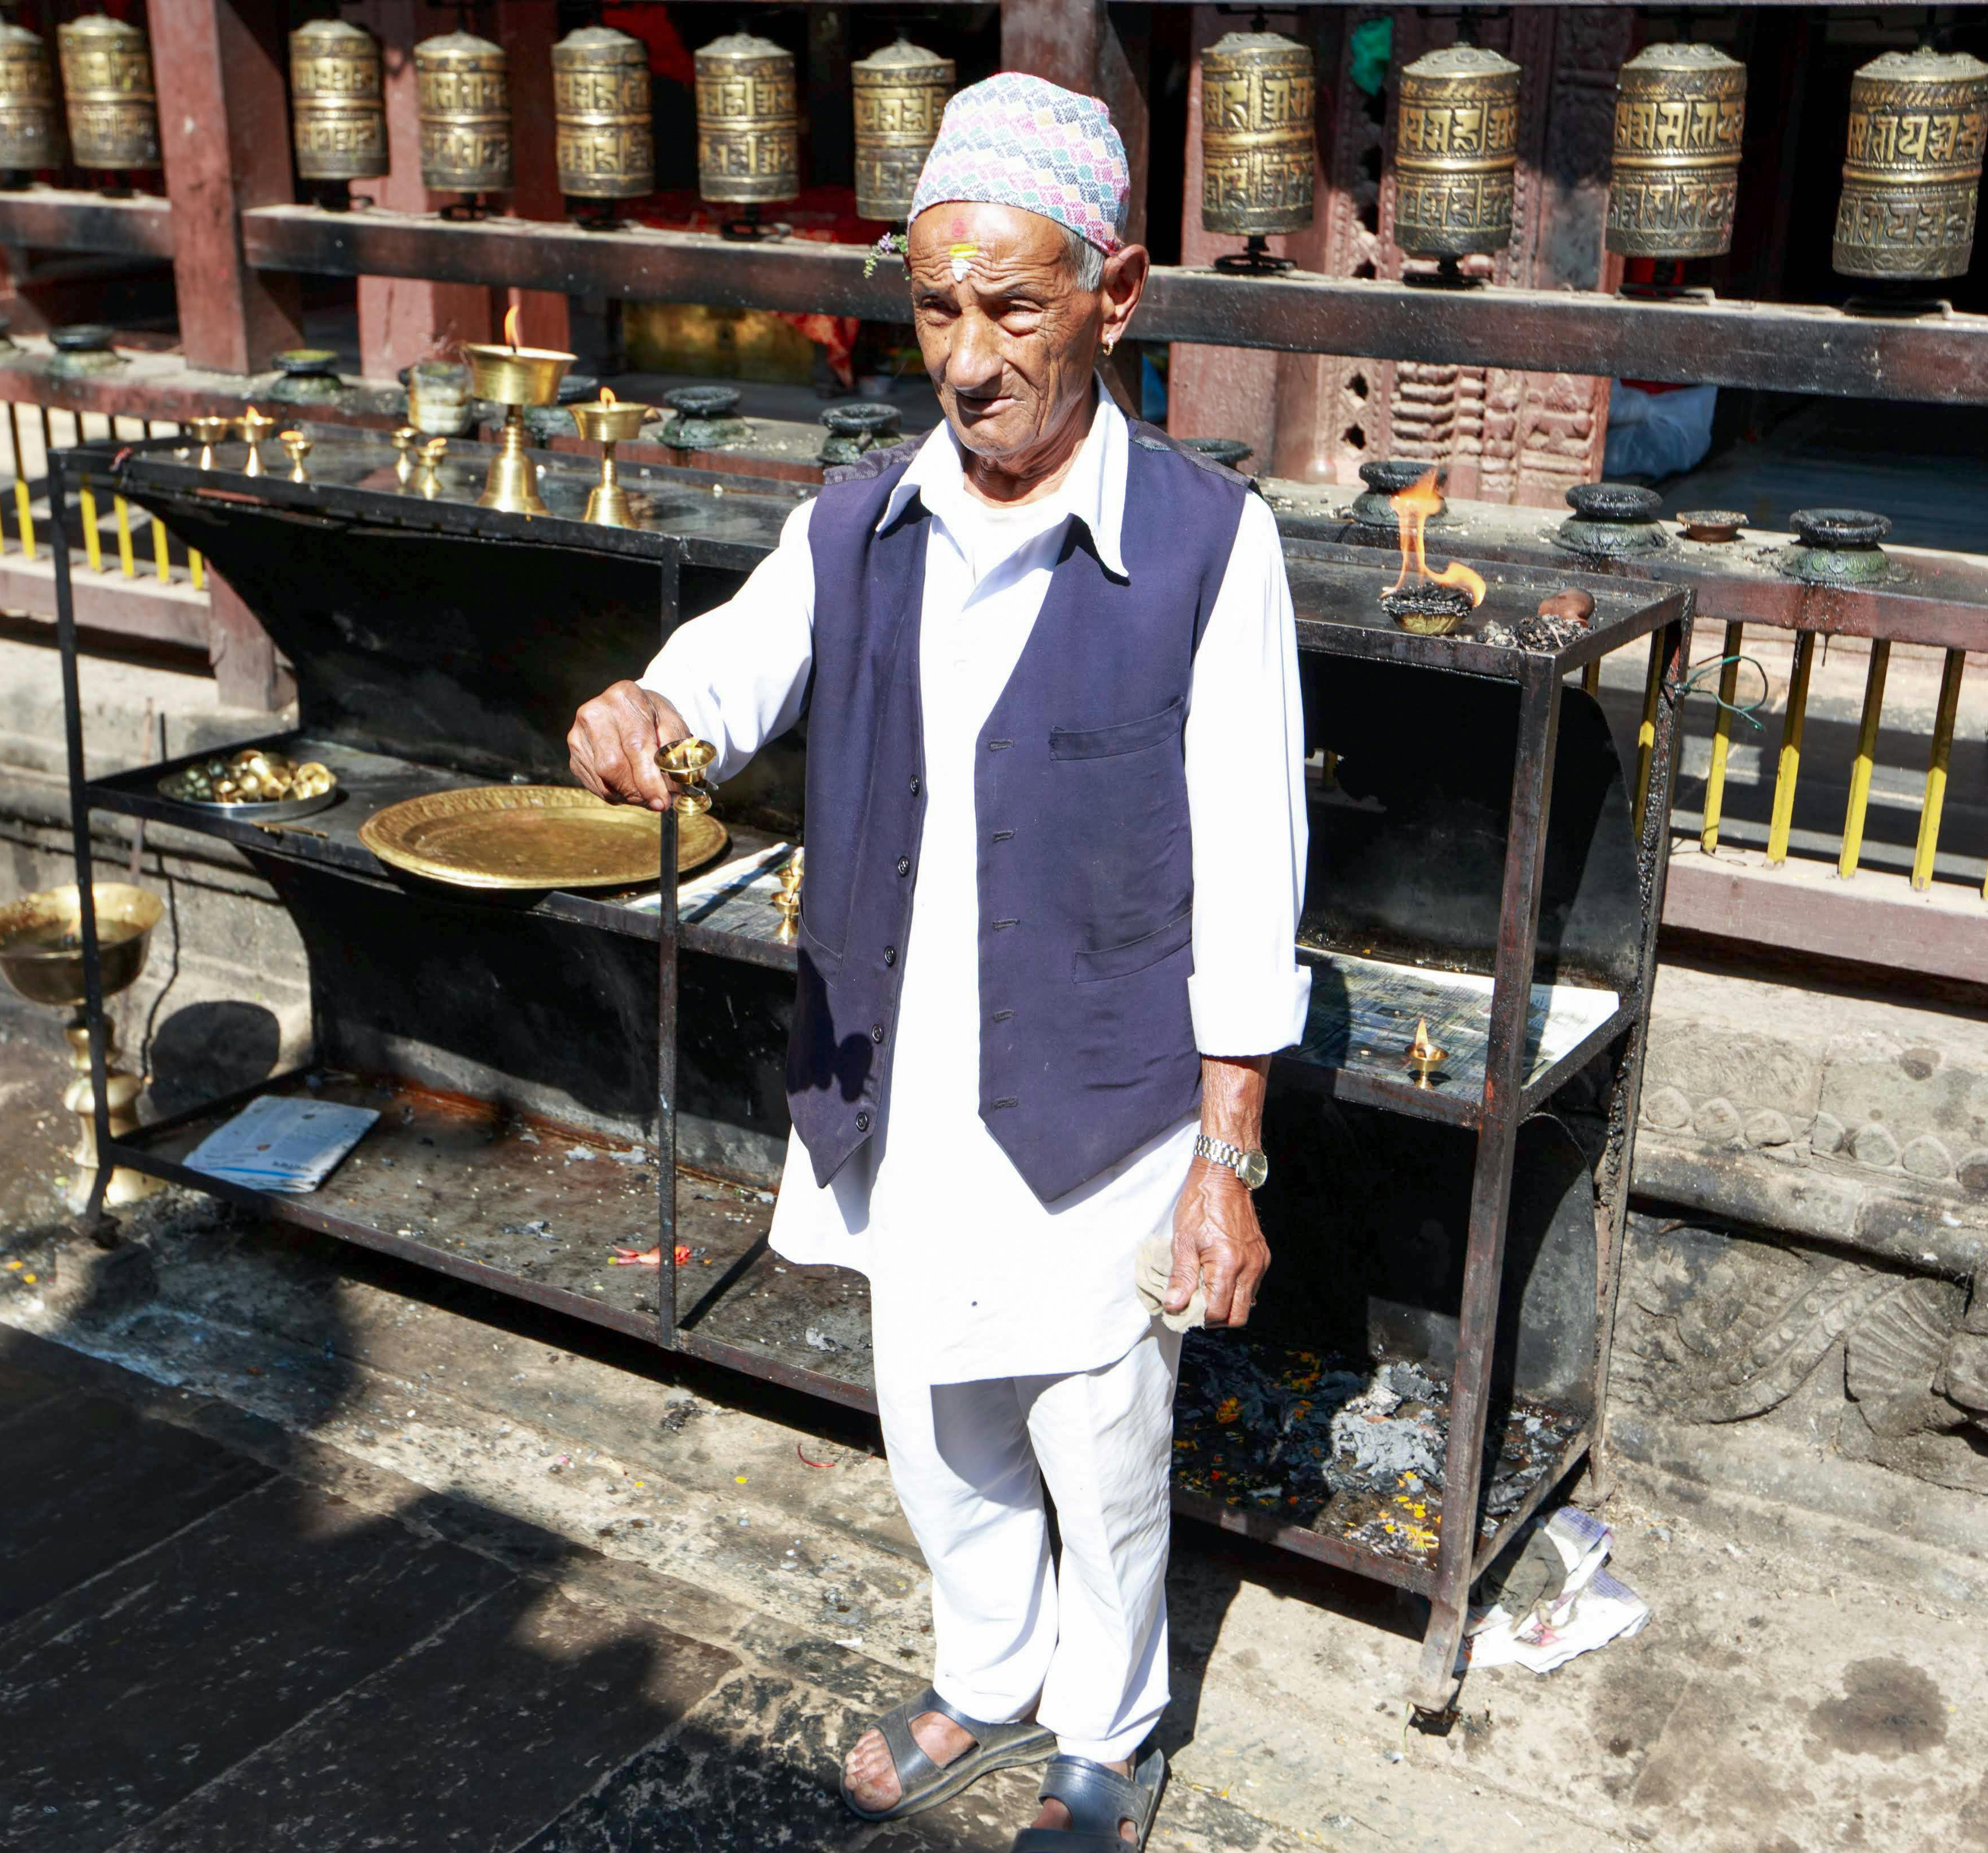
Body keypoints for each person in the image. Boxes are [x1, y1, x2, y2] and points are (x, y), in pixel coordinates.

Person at [566, 72, 1308, 1852]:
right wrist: (659, 707)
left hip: (1099, 1102)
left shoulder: (1211, 547)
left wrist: (1227, 1152)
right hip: (899, 1079)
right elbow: (738, 667)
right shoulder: (863, 519)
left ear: (1116, 297)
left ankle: (1107, 1728)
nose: (967, 359)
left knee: (1100, 1439)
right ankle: (985, 1670)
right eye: (935, 307)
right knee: (934, 1422)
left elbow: (1254, 867)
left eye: (1016, 305)